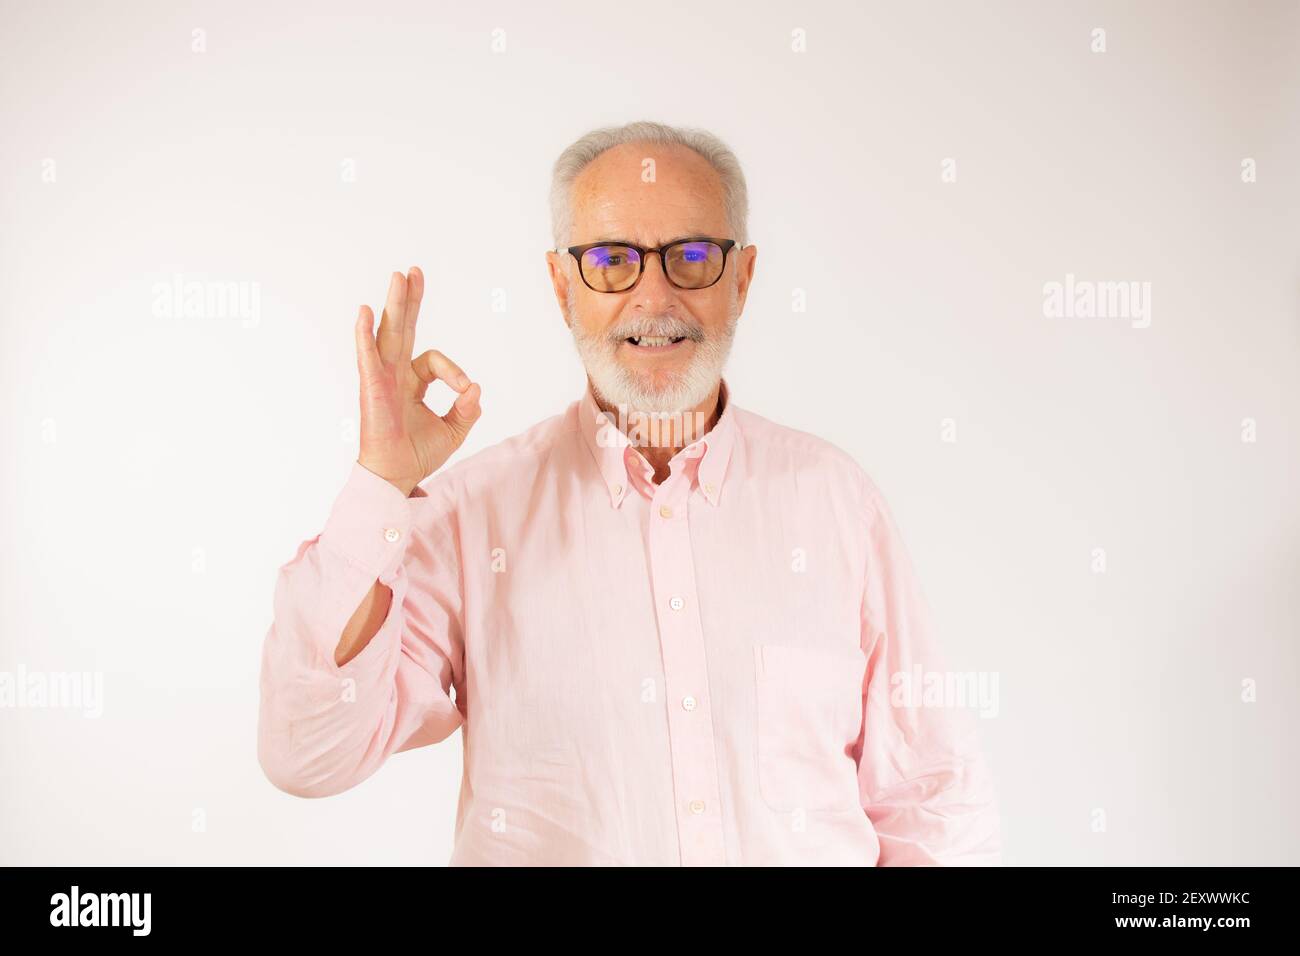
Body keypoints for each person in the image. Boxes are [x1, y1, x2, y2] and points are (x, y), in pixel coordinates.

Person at [256, 120, 1001, 866]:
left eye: (693, 257)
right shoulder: (470, 519)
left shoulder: (837, 504)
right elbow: (308, 754)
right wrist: (380, 485)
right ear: (561, 287)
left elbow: (931, 802)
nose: (654, 295)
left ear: (741, 280)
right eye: (612, 260)